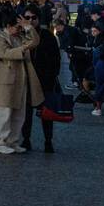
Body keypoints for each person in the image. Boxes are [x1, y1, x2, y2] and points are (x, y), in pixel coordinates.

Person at [0, 11, 43, 154]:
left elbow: (35, 41)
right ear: (8, 26)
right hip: (5, 80)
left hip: (21, 78)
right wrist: (24, 48)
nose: (19, 30)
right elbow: (4, 53)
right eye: (17, 27)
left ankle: (12, 141)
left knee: (19, 114)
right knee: (4, 112)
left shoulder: (19, 37)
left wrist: (28, 27)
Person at [20, 9, 61, 153]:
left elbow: (56, 59)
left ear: (39, 18)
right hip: (26, 80)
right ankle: (25, 139)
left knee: (46, 113)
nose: (30, 20)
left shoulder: (47, 36)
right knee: (26, 113)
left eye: (33, 17)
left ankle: (48, 141)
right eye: (27, 17)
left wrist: (51, 76)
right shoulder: (21, 35)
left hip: (45, 80)